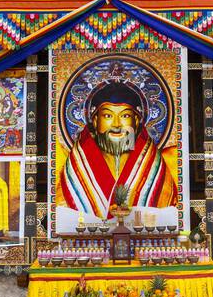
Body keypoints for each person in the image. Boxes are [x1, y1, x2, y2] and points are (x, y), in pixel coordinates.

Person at [56, 82, 177, 218]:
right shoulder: (70, 164)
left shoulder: (168, 161)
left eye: (125, 116)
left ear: (136, 121)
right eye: (108, 116)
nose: (117, 124)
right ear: (95, 121)